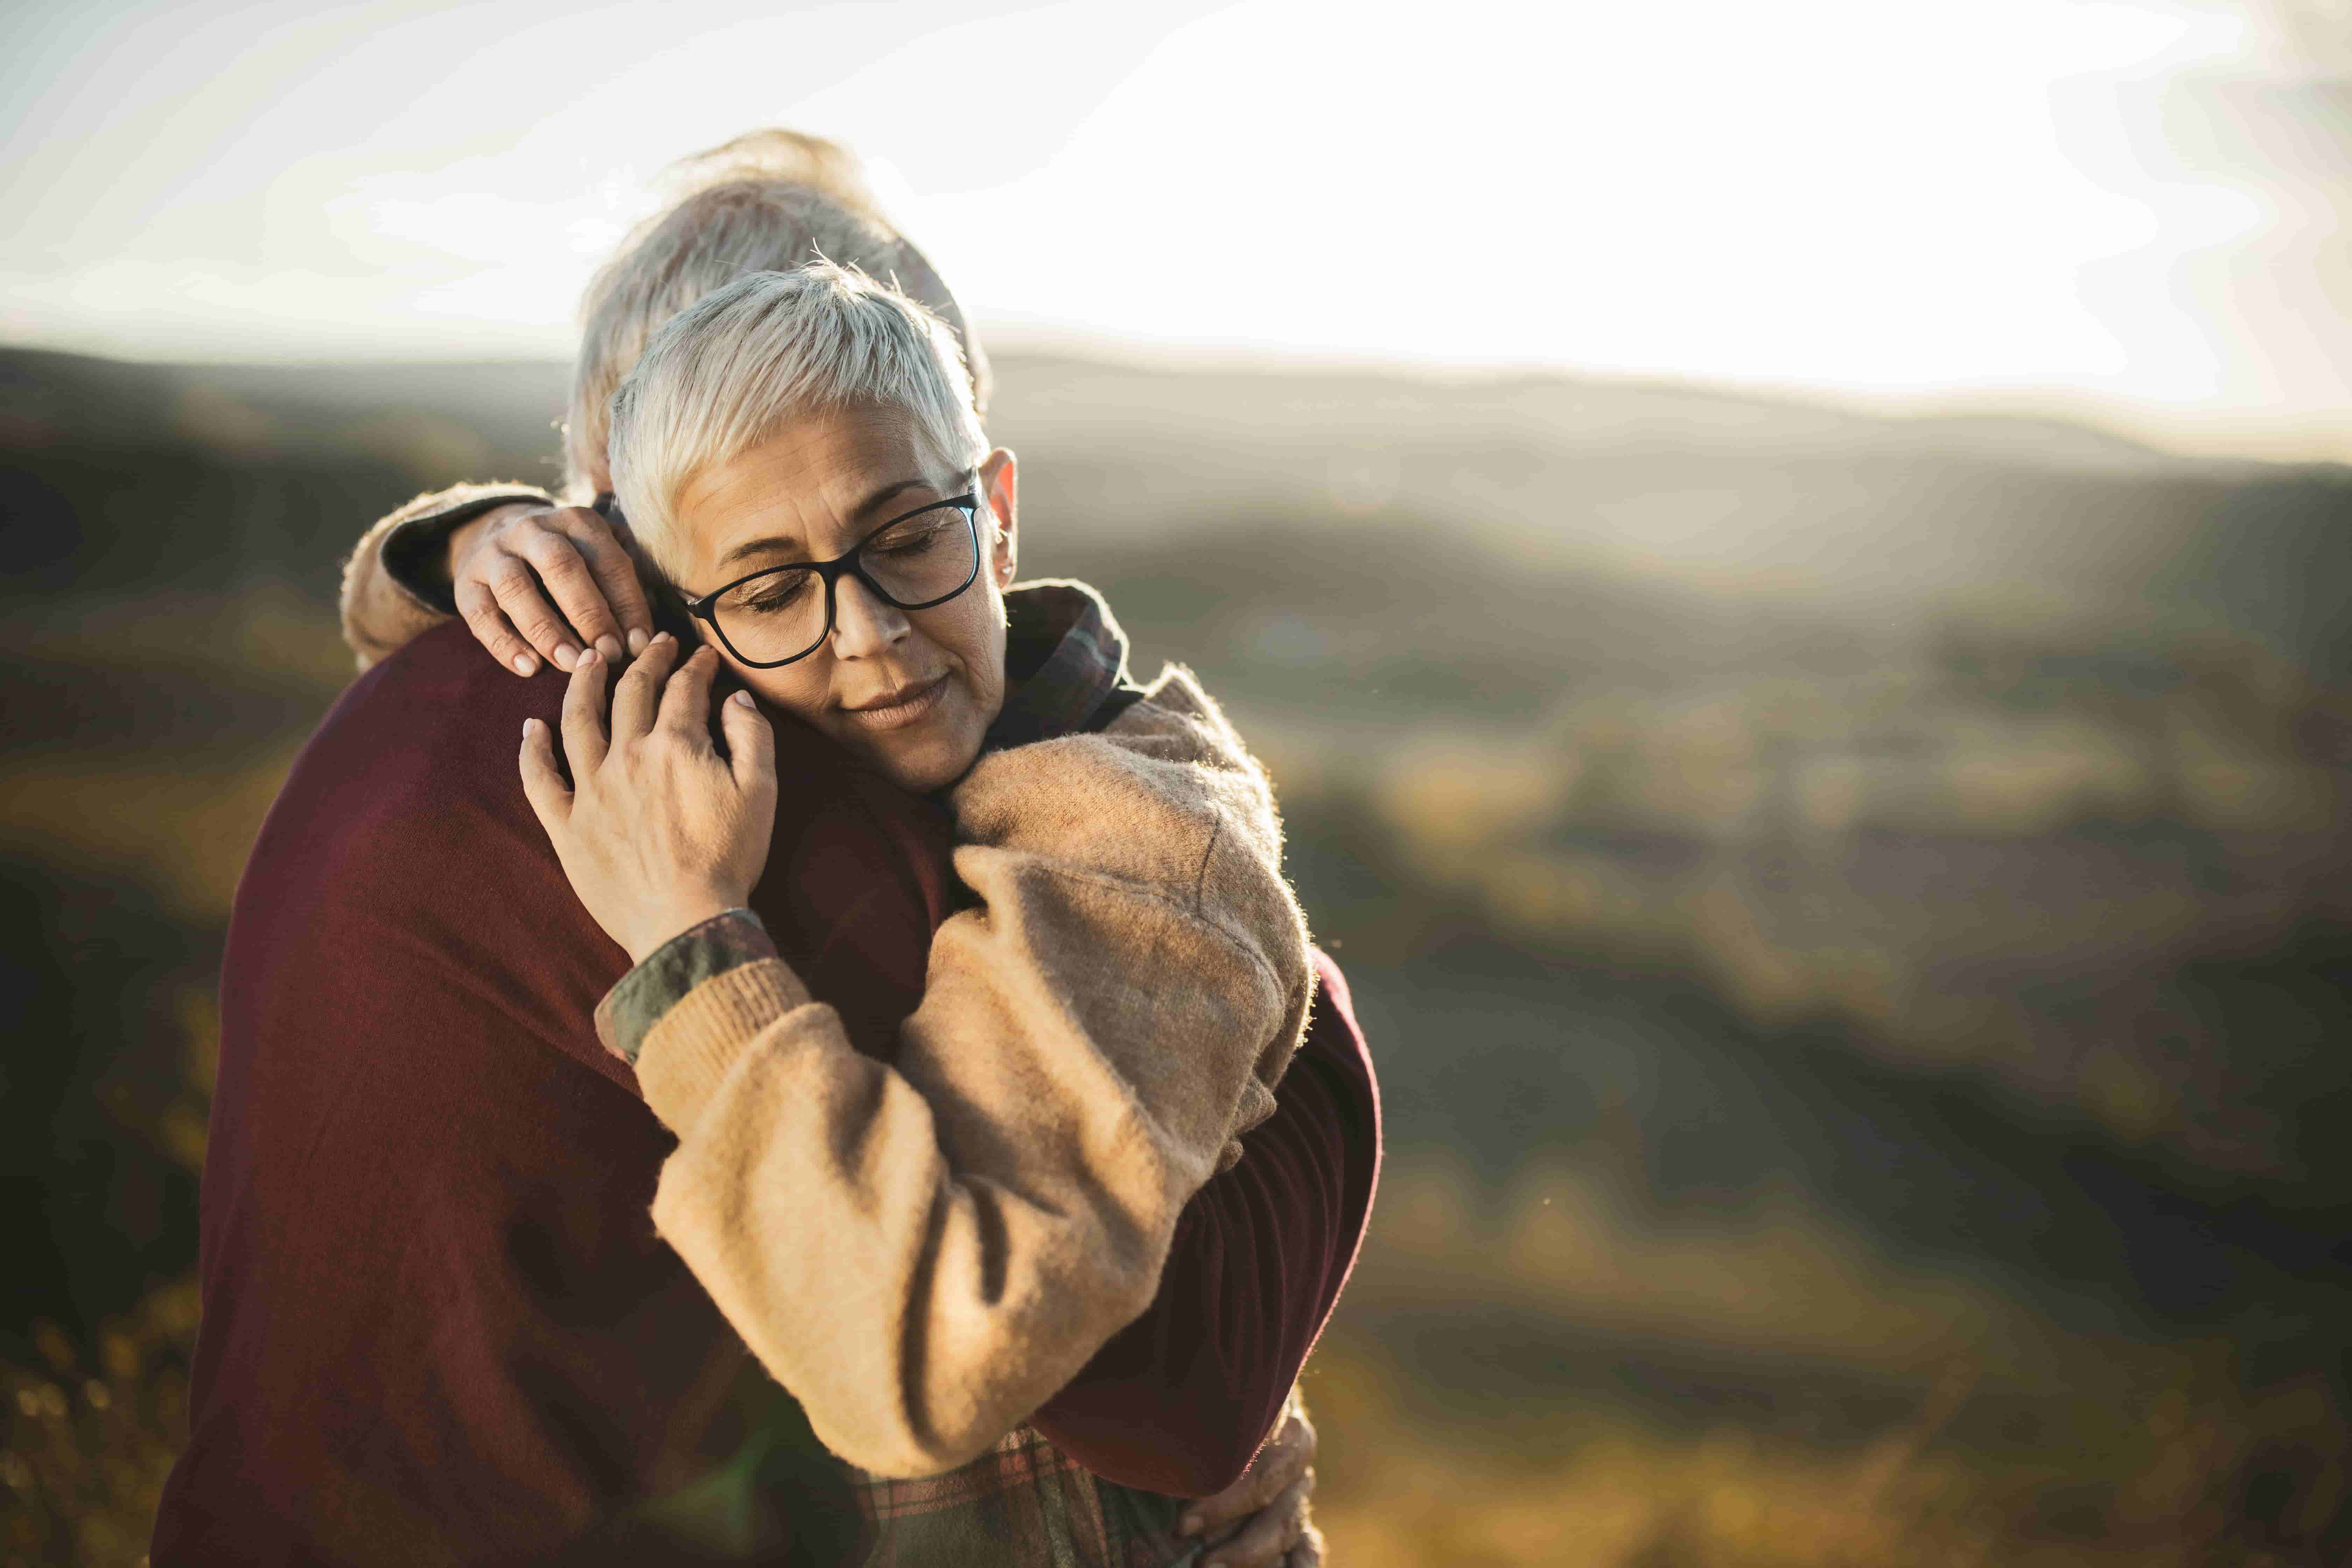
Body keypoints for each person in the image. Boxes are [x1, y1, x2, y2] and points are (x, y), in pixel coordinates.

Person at [153, 133, 1378, 1568]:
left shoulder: (414, 706)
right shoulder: (700, 795)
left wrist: (444, 547)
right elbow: (1153, 1390)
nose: (861, 632)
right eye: (761, 571)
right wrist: (1317, 1060)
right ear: (632, 521)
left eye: (907, 526)